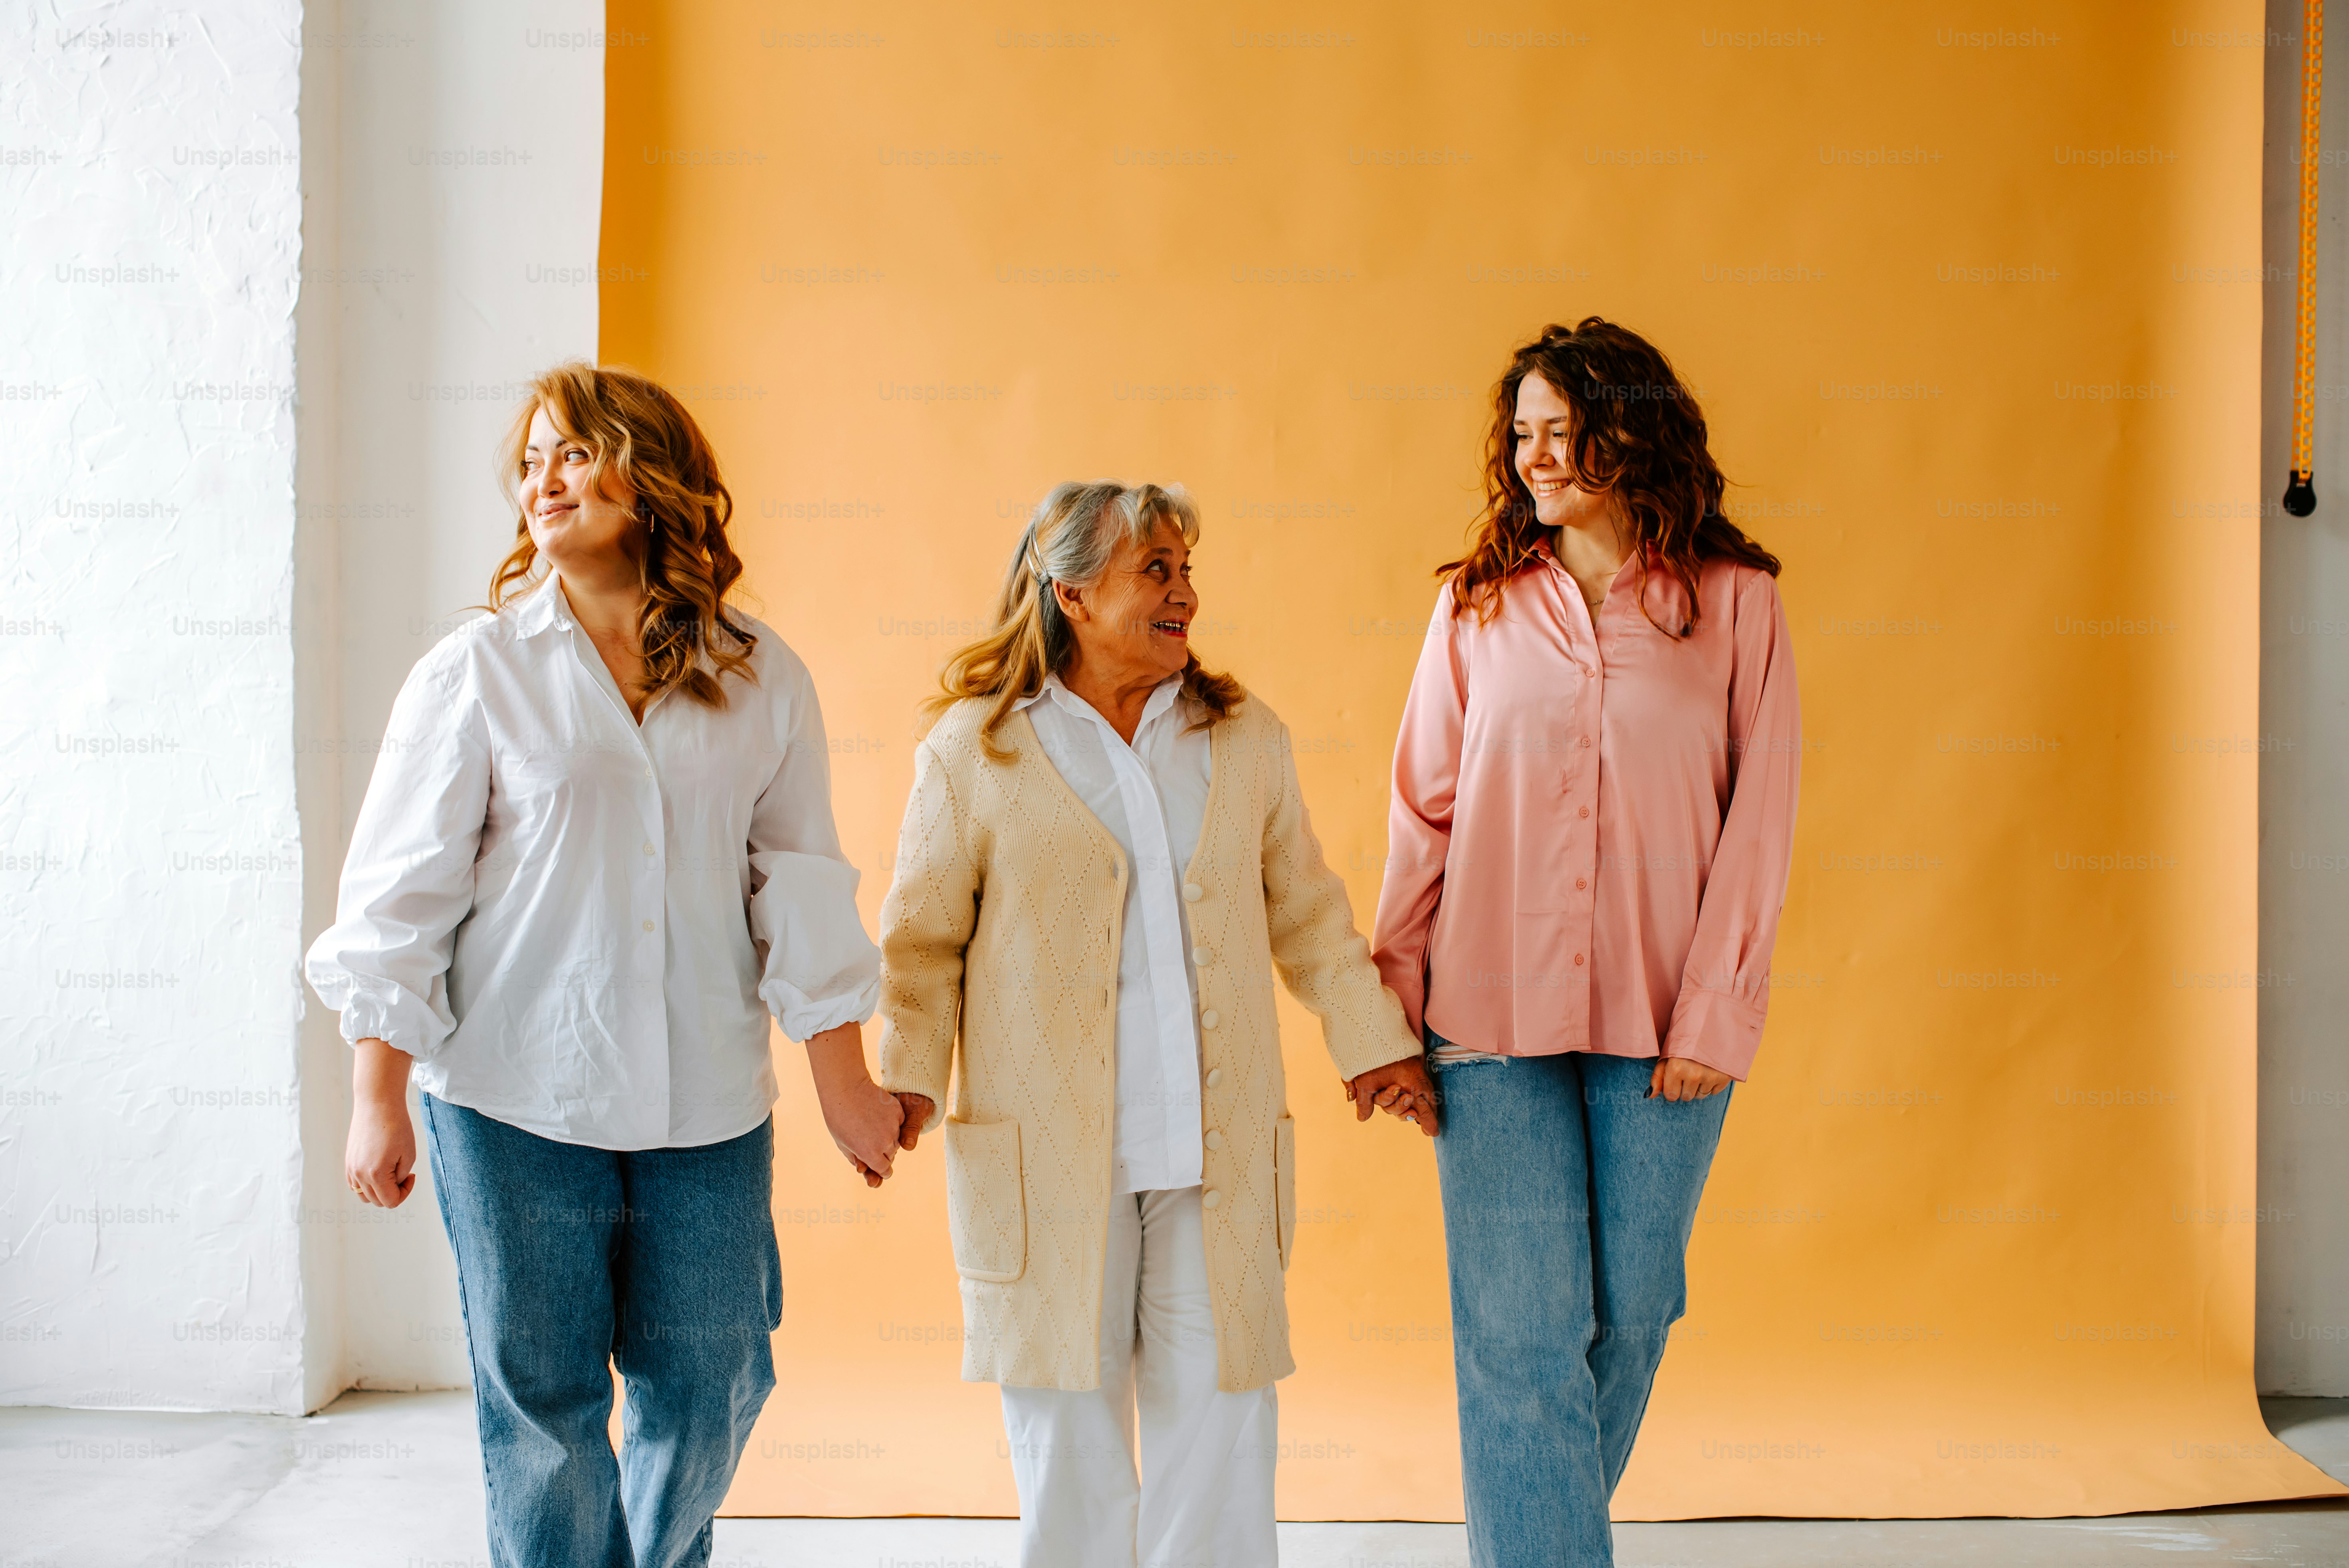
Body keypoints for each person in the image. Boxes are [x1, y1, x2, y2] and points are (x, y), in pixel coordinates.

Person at [304, 363, 907, 1568]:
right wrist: (377, 1095)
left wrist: (844, 1082)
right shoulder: (476, 670)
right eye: (532, 460)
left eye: (574, 453)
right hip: (512, 1096)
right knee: (544, 1404)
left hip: (708, 1101)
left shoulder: (759, 674)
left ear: (654, 472)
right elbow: (398, 896)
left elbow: (797, 885)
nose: (544, 480)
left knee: (715, 1379)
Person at [874, 481, 1436, 1568]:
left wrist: (1374, 1043)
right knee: (1065, 1433)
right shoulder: (973, 749)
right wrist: (904, 1080)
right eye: (1157, 570)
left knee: (1224, 1417)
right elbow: (921, 944)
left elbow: (1309, 915)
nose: (1185, 593)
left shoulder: (1243, 738)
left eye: (1187, 570)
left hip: (1210, 1153)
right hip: (1043, 1159)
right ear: (1073, 593)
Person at [1371, 318, 1801, 1567]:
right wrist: (1384, 1016)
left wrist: (1717, 1010)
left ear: (1633, 433)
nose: (1537, 458)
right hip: (1484, 1018)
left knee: (1633, 1312)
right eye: (1523, 435)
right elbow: (1421, 815)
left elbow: (1759, 822)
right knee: (1517, 1335)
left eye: (1564, 432)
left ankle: (1533, 1531)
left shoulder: (1735, 605)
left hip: (1665, 1021)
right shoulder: (1475, 608)